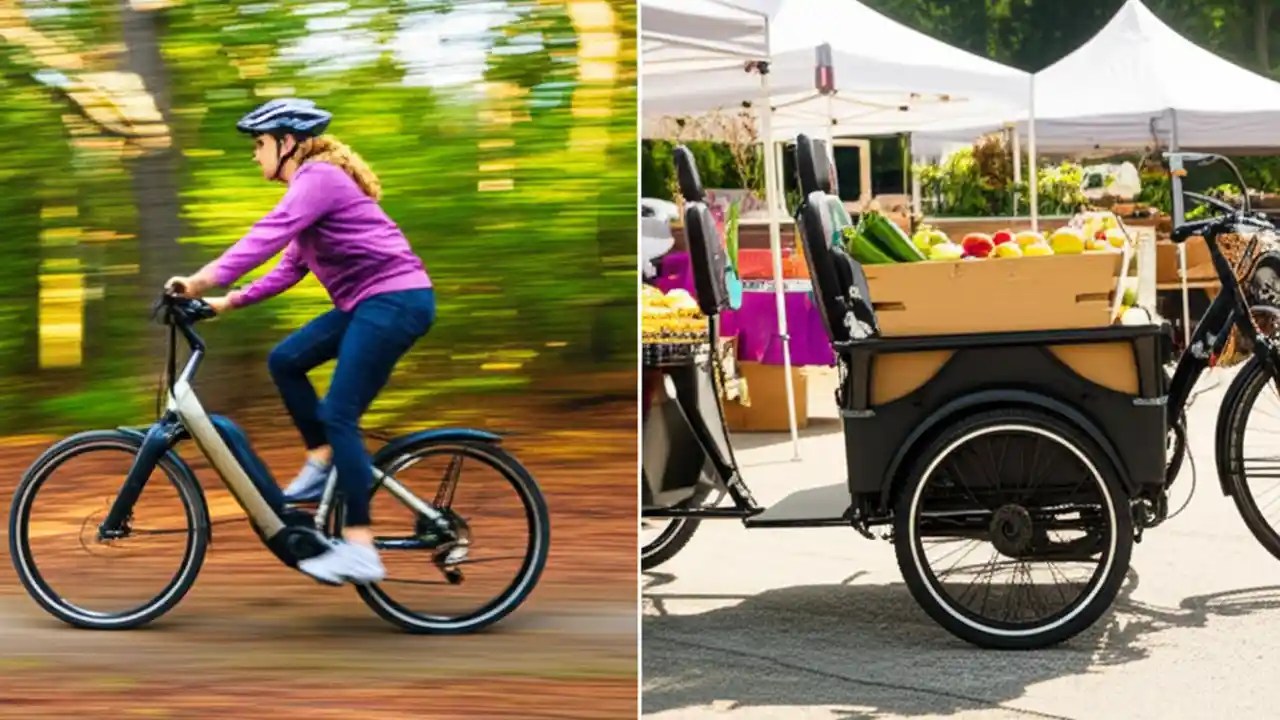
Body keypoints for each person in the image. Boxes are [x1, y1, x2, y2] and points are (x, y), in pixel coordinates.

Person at [165, 98, 436, 586]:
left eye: (260, 144)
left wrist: (199, 281)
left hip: (396, 302)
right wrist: (228, 303)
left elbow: (264, 237)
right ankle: (323, 457)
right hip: (367, 305)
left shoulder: (319, 179)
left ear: (288, 143)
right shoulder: (312, 188)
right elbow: (290, 265)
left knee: (339, 413)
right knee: (286, 359)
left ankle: (360, 547)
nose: (255, 154)